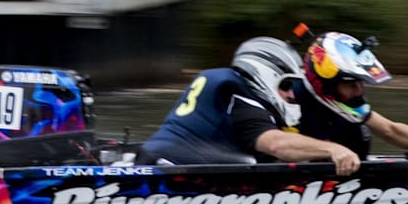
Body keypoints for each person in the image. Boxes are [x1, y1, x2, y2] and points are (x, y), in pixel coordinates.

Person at [138, 36, 363, 175]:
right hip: (168, 170)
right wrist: (333, 149)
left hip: (165, 160)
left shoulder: (227, 86)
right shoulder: (240, 97)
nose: (291, 95)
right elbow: (276, 144)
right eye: (286, 85)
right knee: (252, 162)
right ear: (266, 74)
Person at [293, 27, 408, 163]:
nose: (359, 90)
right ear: (325, 83)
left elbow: (390, 130)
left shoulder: (349, 104)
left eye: (360, 83)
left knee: (358, 132)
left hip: (341, 181)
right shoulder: (291, 101)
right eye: (351, 84)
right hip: (295, 186)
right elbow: (278, 147)